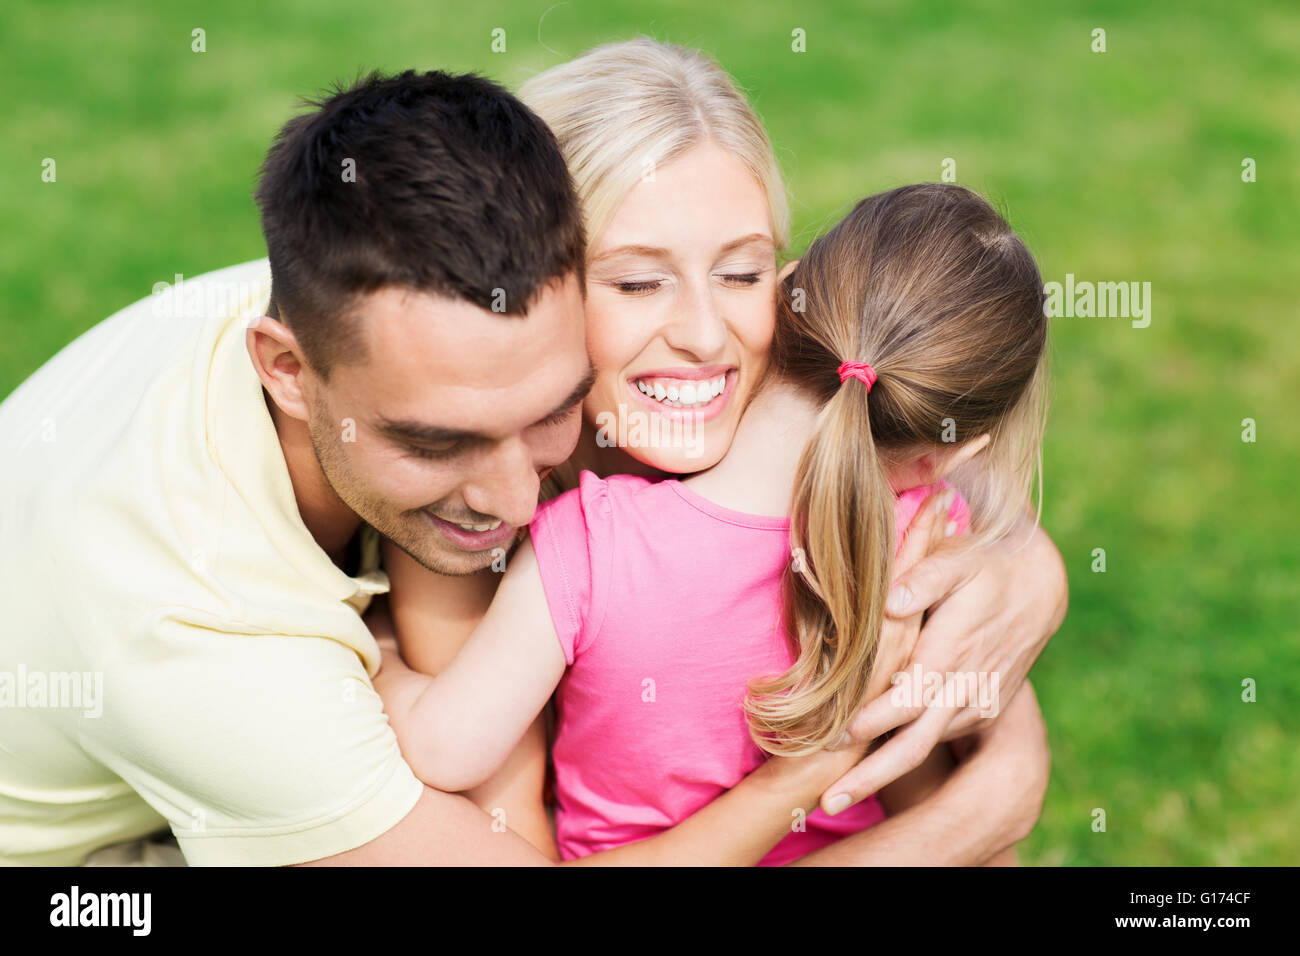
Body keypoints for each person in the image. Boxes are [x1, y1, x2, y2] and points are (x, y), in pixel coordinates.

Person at [0, 67, 1051, 866]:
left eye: (740, 271)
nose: (512, 503)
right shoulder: (201, 632)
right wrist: (945, 798)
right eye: (437, 441)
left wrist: (1027, 573)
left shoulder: (417, 271)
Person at [379, 39, 1065, 864]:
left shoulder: (603, 540)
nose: (705, 337)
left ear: (794, 282)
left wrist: (1035, 577)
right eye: (636, 283)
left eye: (742, 274)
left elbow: (965, 486)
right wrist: (978, 793)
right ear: (523, 290)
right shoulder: (473, 515)